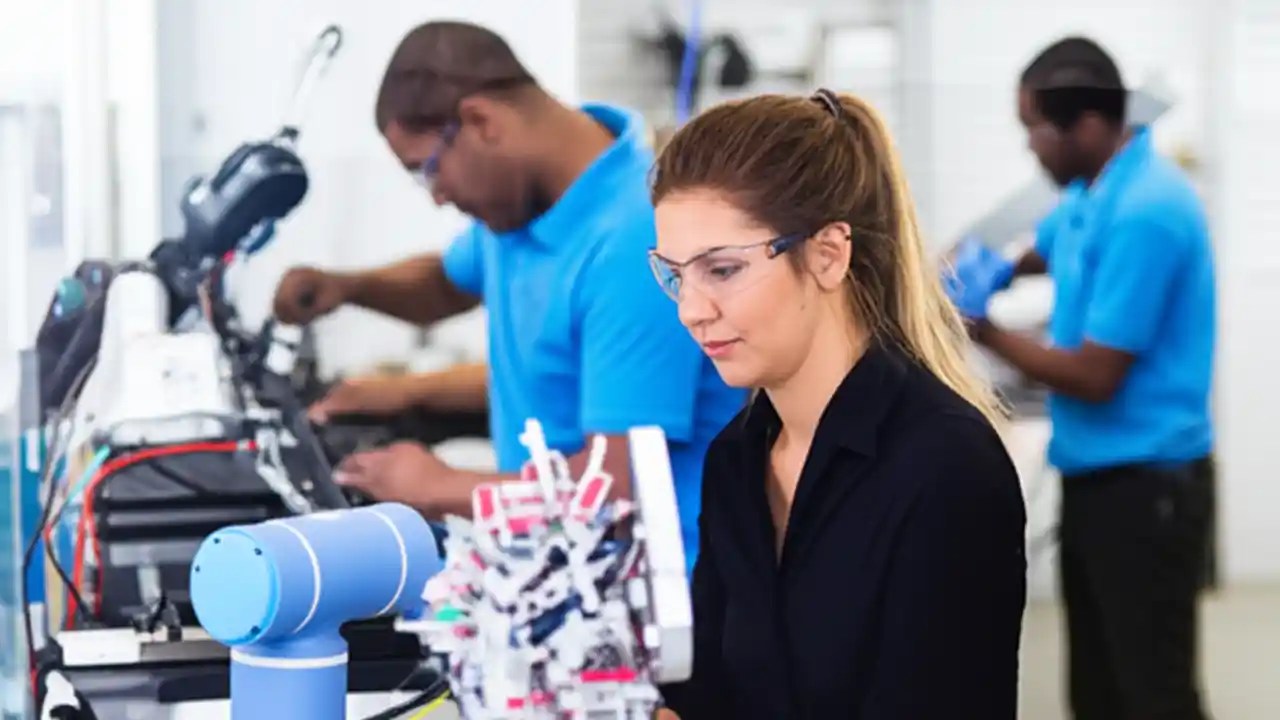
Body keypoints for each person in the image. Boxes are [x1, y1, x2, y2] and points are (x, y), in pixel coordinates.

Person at [272, 21, 745, 572]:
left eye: (428, 171)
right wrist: (348, 288)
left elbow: (610, 491)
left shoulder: (636, 241)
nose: (438, 196)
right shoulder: (521, 211)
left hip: (651, 591)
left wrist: (437, 486)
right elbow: (443, 284)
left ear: (480, 122)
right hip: (556, 565)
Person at [650, 89, 1027, 719]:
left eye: (722, 270)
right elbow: (706, 694)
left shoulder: (943, 466)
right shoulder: (736, 460)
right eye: (675, 275)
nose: (691, 310)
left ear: (828, 254)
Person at [947, 38, 1216, 720]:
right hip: (1098, 477)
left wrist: (979, 328)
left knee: (1152, 693)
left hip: (1149, 487)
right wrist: (987, 269)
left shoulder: (1147, 209)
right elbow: (1048, 248)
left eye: (1035, 129)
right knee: (1097, 689)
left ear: (1087, 126)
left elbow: (1096, 376)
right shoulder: (1091, 193)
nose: (1030, 146)